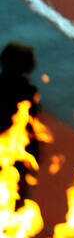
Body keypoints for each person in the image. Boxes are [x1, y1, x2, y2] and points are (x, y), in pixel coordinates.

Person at [0, 42, 40, 206]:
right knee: (15, 197)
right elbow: (29, 124)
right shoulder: (28, 91)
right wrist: (34, 153)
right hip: (17, 152)